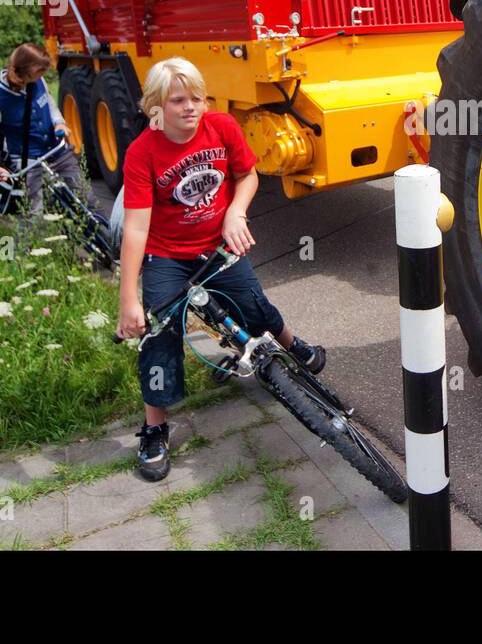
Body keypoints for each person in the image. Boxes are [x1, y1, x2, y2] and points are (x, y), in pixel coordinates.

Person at [115, 56, 326, 482]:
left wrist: (236, 214)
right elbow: (136, 227)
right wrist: (128, 299)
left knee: (254, 306)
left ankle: (292, 343)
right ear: (156, 106)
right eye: (178, 100)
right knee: (160, 331)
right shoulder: (142, 153)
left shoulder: (222, 127)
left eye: (197, 97)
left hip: (216, 244)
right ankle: (155, 427)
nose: (191, 107)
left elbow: (247, 176)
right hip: (168, 255)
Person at [0, 43, 100, 217]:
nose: (39, 79)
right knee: (33, 214)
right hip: (28, 162)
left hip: (58, 151)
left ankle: (107, 240)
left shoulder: (38, 81)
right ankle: (29, 244)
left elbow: (49, 104)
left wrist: (59, 122)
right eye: (37, 75)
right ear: (14, 70)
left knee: (87, 199)